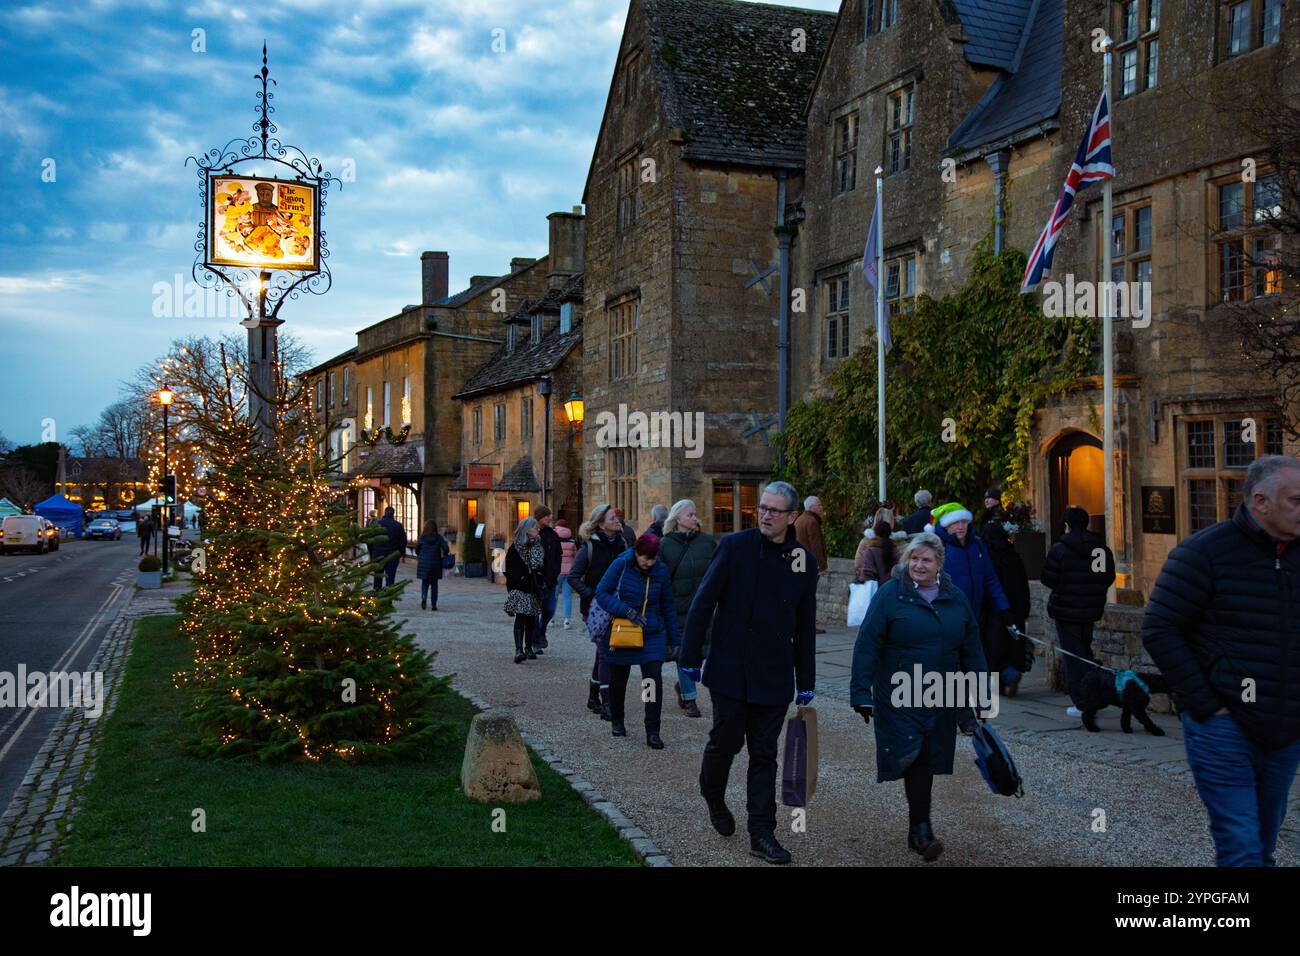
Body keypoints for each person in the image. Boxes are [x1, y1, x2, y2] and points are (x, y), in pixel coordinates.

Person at [1142, 455, 1300, 867]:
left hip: (1285, 727)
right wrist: (1207, 703)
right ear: (1260, 502)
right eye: (1296, 501)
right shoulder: (1204, 553)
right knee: (1241, 844)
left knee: (1264, 841)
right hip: (1223, 726)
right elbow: (1160, 629)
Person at [680, 480, 819, 865]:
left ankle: (762, 832)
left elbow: (805, 627)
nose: (766, 514)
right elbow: (703, 603)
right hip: (730, 668)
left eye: (775, 510)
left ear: (792, 516)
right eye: (763, 507)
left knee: (765, 754)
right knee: (725, 743)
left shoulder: (802, 561)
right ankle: (712, 792)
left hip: (774, 674)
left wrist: (806, 681)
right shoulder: (735, 547)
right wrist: (689, 658)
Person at [850, 532, 987, 861]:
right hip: (900, 692)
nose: (919, 565)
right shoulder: (889, 595)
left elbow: (973, 650)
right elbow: (867, 644)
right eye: (914, 558)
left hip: (942, 693)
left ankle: (918, 828)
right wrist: (860, 691)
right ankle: (922, 829)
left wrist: (982, 698)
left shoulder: (955, 598)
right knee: (917, 756)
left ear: (939, 563)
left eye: (926, 559)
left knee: (927, 756)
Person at [595, 533, 681, 749]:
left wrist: (675, 639)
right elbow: (602, 593)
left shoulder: (660, 570)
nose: (648, 563)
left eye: (652, 559)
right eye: (644, 558)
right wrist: (625, 611)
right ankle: (617, 719)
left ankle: (652, 730)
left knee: (651, 681)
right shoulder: (621, 564)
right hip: (622, 629)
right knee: (618, 681)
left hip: (651, 632)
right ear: (636, 551)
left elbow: (668, 605)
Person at [928, 502, 1012, 690]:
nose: (960, 527)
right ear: (946, 525)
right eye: (955, 523)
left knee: (974, 660)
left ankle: (976, 711)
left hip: (975, 614)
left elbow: (990, 579)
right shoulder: (937, 548)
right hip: (948, 615)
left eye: (964, 522)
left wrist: (1003, 607)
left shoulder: (977, 546)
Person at [1040, 506, 1114, 714]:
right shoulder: (1099, 549)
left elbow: (1048, 578)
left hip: (1066, 611)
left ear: (1067, 525)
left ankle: (1083, 701)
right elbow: (1105, 577)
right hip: (1090, 610)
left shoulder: (1060, 549)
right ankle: (1095, 692)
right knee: (1085, 651)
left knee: (1074, 656)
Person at [568, 504, 629, 717]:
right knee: (606, 652)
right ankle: (608, 703)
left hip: (618, 607)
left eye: (617, 517)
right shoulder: (589, 548)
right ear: (601, 523)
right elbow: (573, 577)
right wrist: (592, 595)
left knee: (604, 652)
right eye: (613, 518)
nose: (617, 520)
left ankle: (593, 696)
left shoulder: (623, 544)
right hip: (595, 610)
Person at [659, 499, 716, 718]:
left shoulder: (707, 542)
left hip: (704, 609)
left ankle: (682, 686)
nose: (695, 518)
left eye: (695, 514)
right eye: (690, 515)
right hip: (678, 610)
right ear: (677, 519)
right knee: (685, 655)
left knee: (704, 655)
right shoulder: (665, 545)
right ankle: (690, 698)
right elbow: (661, 580)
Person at [979, 488, 1033, 696]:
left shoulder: (987, 562)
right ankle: (1010, 676)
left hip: (995, 611)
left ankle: (1004, 679)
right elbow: (1023, 586)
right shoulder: (1014, 558)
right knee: (1012, 645)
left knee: (995, 646)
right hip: (1015, 610)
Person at [504, 517, 546, 663]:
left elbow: (538, 566)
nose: (538, 529)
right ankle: (518, 650)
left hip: (533, 587)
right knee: (520, 616)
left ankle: (528, 647)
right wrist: (519, 580)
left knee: (531, 618)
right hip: (519, 587)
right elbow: (508, 569)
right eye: (535, 527)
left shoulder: (537, 546)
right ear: (527, 530)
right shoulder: (515, 547)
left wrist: (536, 546)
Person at [793, 495, 829, 635]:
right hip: (810, 566)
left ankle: (800, 624)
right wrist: (821, 566)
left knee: (802, 596)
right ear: (811, 507)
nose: (821, 507)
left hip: (799, 564)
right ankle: (809, 625)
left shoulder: (800, 520)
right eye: (819, 505)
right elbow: (816, 546)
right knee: (809, 597)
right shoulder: (812, 522)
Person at [534, 506, 562, 650]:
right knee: (534, 611)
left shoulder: (553, 535)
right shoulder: (532, 534)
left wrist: (553, 575)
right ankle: (535, 641)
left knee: (549, 609)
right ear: (539, 517)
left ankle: (541, 630)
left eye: (550, 515)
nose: (550, 518)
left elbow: (558, 557)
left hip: (551, 580)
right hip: (535, 580)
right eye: (547, 516)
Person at [855, 507, 905, 585]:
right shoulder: (899, 543)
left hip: (872, 587)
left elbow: (858, 564)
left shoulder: (866, 541)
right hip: (892, 587)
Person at [414, 519, 449, 611]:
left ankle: (424, 596)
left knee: (425, 583)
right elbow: (446, 548)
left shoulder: (422, 538)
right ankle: (434, 605)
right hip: (435, 563)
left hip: (424, 564)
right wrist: (444, 554)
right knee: (434, 584)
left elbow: (417, 550)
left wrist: (421, 554)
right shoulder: (438, 537)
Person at [371, 506, 407, 591]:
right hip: (392, 555)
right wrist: (400, 553)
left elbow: (371, 539)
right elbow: (403, 541)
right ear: (393, 514)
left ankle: (376, 597)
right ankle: (388, 599)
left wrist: (372, 551)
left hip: (378, 554)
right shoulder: (398, 525)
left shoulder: (377, 524)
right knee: (390, 578)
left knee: (378, 577)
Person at [557, 518, 576, 629]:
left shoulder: (554, 538)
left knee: (553, 596)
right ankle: (566, 621)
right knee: (567, 596)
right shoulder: (572, 540)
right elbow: (575, 555)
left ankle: (551, 619)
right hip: (569, 571)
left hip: (558, 571)